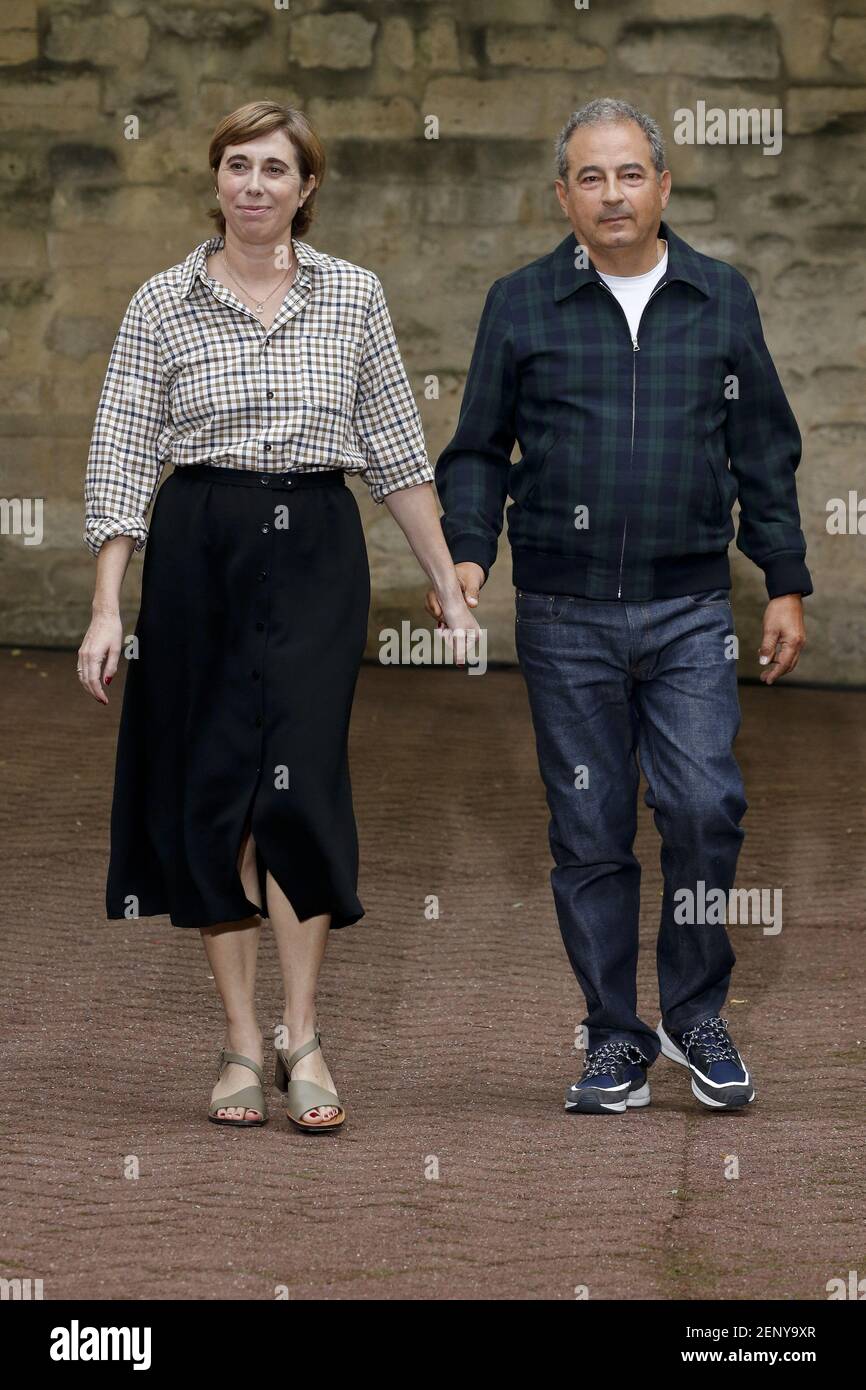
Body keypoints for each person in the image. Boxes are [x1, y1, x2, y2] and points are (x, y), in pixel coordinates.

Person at [79, 101, 477, 1132]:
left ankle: (304, 1034)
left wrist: (443, 579)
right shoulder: (161, 302)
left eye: (275, 169)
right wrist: (105, 607)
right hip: (199, 544)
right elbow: (121, 454)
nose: (254, 185)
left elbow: (394, 448)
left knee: (295, 789)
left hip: (313, 549)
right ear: (216, 182)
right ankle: (239, 1042)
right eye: (237, 166)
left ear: (307, 190)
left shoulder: (352, 295)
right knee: (215, 791)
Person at [430, 98, 811, 1115]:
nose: (612, 193)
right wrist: (468, 556)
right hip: (562, 616)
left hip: (689, 608)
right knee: (590, 829)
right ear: (562, 195)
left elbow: (763, 451)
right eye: (589, 177)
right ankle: (611, 1037)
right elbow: (475, 448)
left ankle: (692, 1012)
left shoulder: (718, 297)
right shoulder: (519, 304)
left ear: (663, 185)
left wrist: (783, 579)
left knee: (702, 806)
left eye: (630, 173)